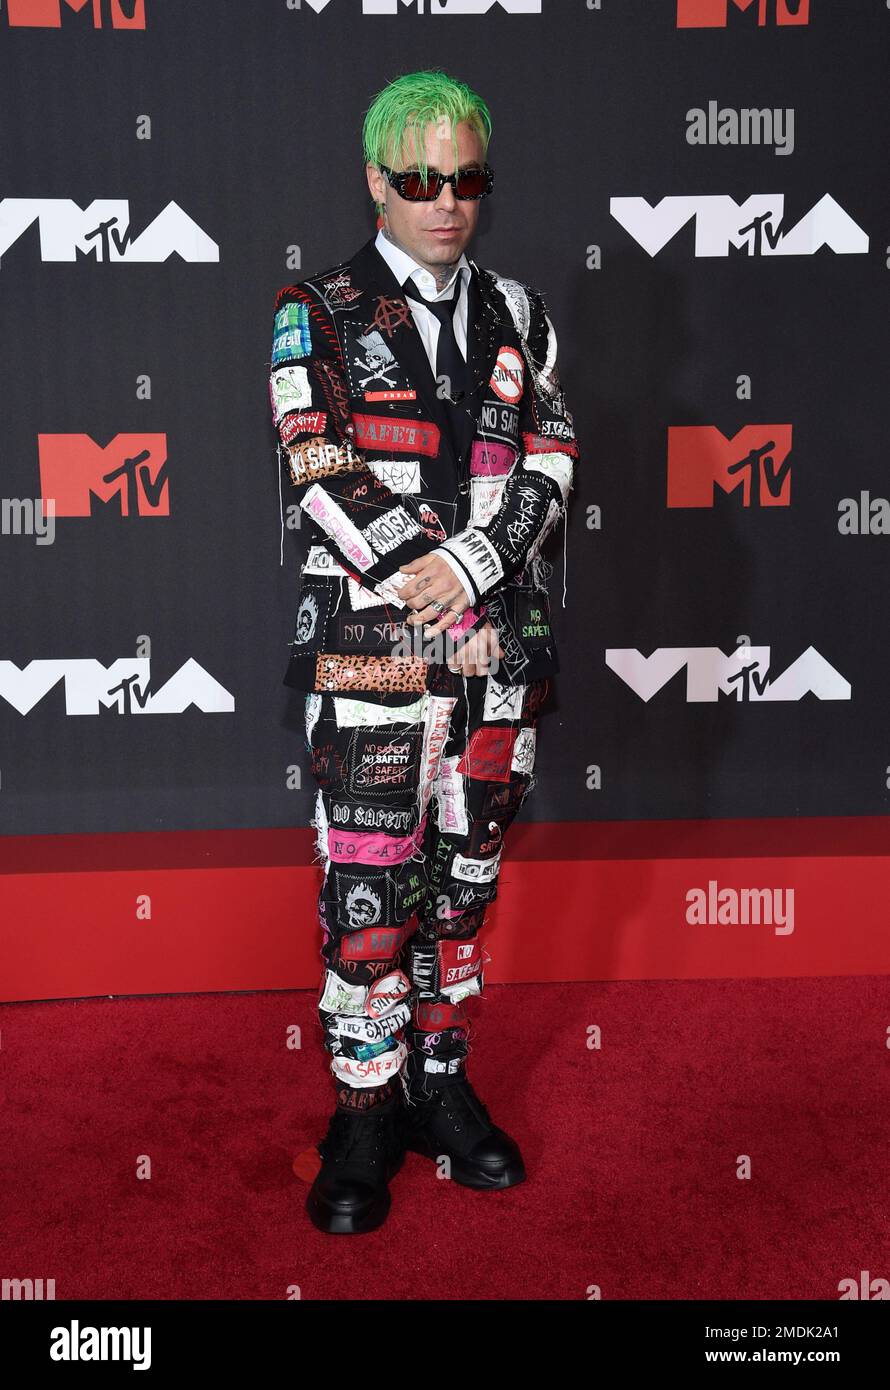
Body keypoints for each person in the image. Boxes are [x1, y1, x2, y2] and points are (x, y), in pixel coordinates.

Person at [268, 69, 579, 1234]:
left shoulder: (521, 313)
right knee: (367, 898)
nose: (444, 202)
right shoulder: (317, 307)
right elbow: (320, 469)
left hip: (496, 656)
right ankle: (360, 1108)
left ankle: (436, 1083)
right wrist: (432, 574)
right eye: (417, 180)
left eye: (464, 180)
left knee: (464, 889)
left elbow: (549, 462)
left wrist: (477, 570)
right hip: (369, 664)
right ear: (375, 183)